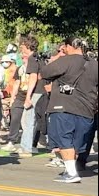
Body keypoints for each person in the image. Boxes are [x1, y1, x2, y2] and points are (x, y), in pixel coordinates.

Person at [38, 38, 96, 183]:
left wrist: (57, 56)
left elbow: (44, 72)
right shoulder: (95, 64)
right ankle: (70, 170)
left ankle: (71, 173)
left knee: (64, 140)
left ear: (70, 46)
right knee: (75, 143)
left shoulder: (66, 60)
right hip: (87, 109)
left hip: (64, 107)